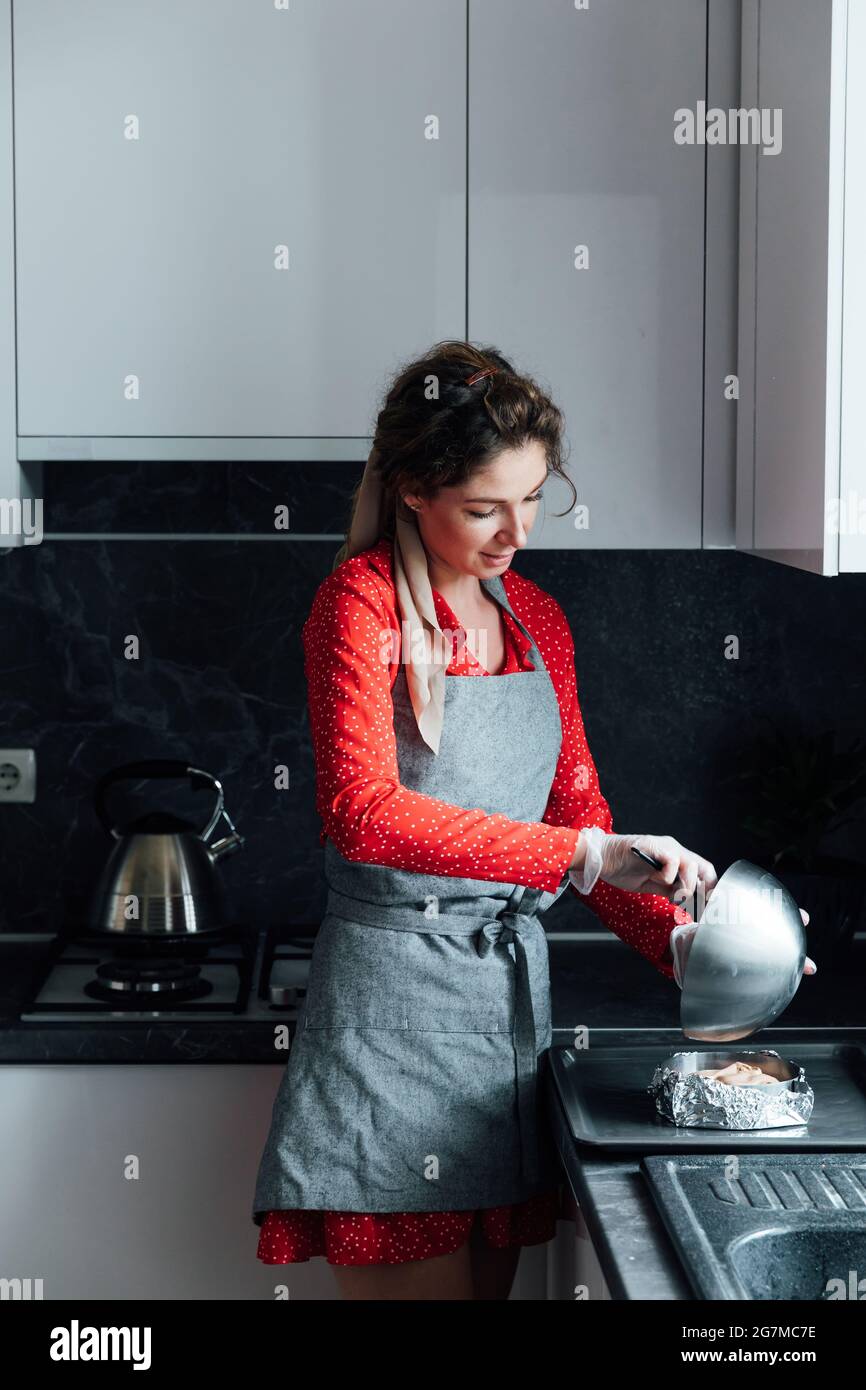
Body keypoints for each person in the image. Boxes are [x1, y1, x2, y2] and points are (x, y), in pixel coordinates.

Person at [250, 340, 811, 1301]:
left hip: (505, 1028)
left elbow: (577, 810)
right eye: (484, 507)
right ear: (414, 491)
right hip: (390, 1025)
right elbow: (363, 815)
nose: (517, 531)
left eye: (534, 498)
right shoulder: (359, 606)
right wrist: (586, 857)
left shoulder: (536, 618)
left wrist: (686, 946)